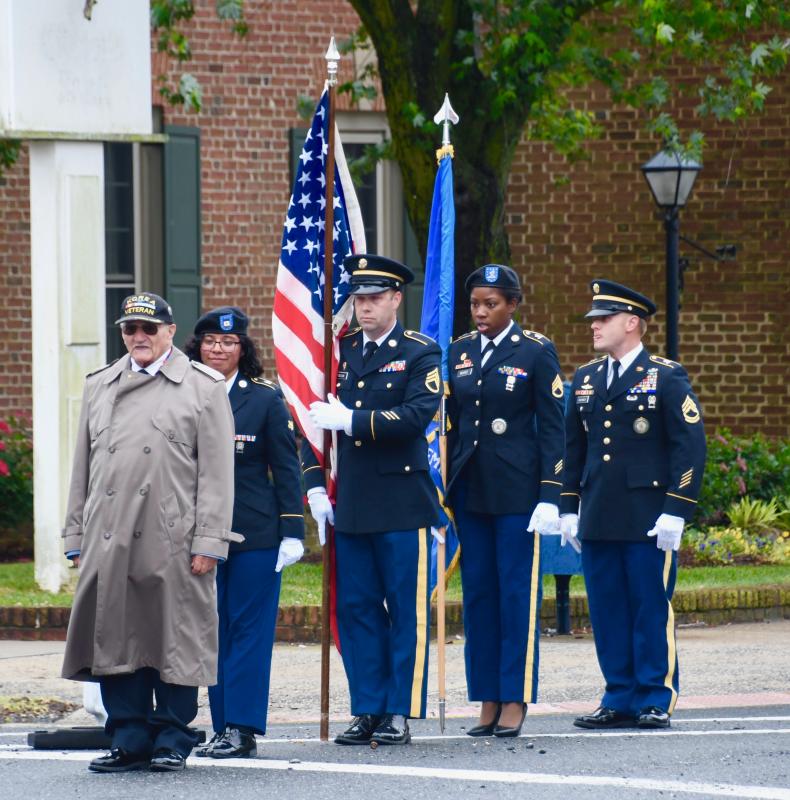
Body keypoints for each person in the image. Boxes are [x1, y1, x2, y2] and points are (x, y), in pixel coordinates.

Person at [61, 292, 239, 773]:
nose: (138, 338)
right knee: (116, 639)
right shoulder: (101, 384)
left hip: (172, 537)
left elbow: (218, 475)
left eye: (148, 329)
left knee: (174, 640)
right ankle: (129, 737)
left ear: (170, 332)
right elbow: (84, 466)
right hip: (108, 535)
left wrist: (209, 540)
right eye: (129, 330)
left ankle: (172, 738)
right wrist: (74, 534)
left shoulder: (202, 387)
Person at [303, 254, 442, 746]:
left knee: (404, 609)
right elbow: (311, 416)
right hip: (354, 500)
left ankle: (398, 710)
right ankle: (367, 706)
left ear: (396, 299)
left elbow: (415, 415)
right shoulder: (338, 351)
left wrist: (355, 421)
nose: (364, 307)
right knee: (358, 608)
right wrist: (314, 482)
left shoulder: (420, 352)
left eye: (374, 298)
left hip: (402, 501)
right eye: (358, 298)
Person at [560, 280, 706, 730]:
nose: (595, 326)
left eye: (604, 319)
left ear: (632, 323)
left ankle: (654, 695)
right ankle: (618, 695)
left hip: (648, 516)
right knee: (606, 610)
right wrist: (568, 505)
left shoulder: (665, 375)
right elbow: (573, 448)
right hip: (601, 513)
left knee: (649, 606)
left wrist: (677, 508)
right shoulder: (585, 378)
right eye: (593, 319)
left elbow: (689, 446)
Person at [445, 264, 566, 738]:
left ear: (513, 305)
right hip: (472, 490)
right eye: (475, 304)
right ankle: (487, 696)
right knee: (478, 595)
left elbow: (553, 426)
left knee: (515, 593)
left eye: (490, 304)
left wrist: (551, 494)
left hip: (518, 493)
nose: (480, 312)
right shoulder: (457, 352)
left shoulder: (535, 352)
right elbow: (452, 421)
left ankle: (514, 697)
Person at [182, 306, 305, 758]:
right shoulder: (182, 393)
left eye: (228, 342)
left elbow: (285, 468)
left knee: (247, 630)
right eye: (211, 340)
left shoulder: (263, 399)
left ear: (242, 349)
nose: (218, 348)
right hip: (195, 535)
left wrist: (292, 530)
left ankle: (242, 727)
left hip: (253, 532)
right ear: (197, 346)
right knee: (210, 631)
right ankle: (220, 725)